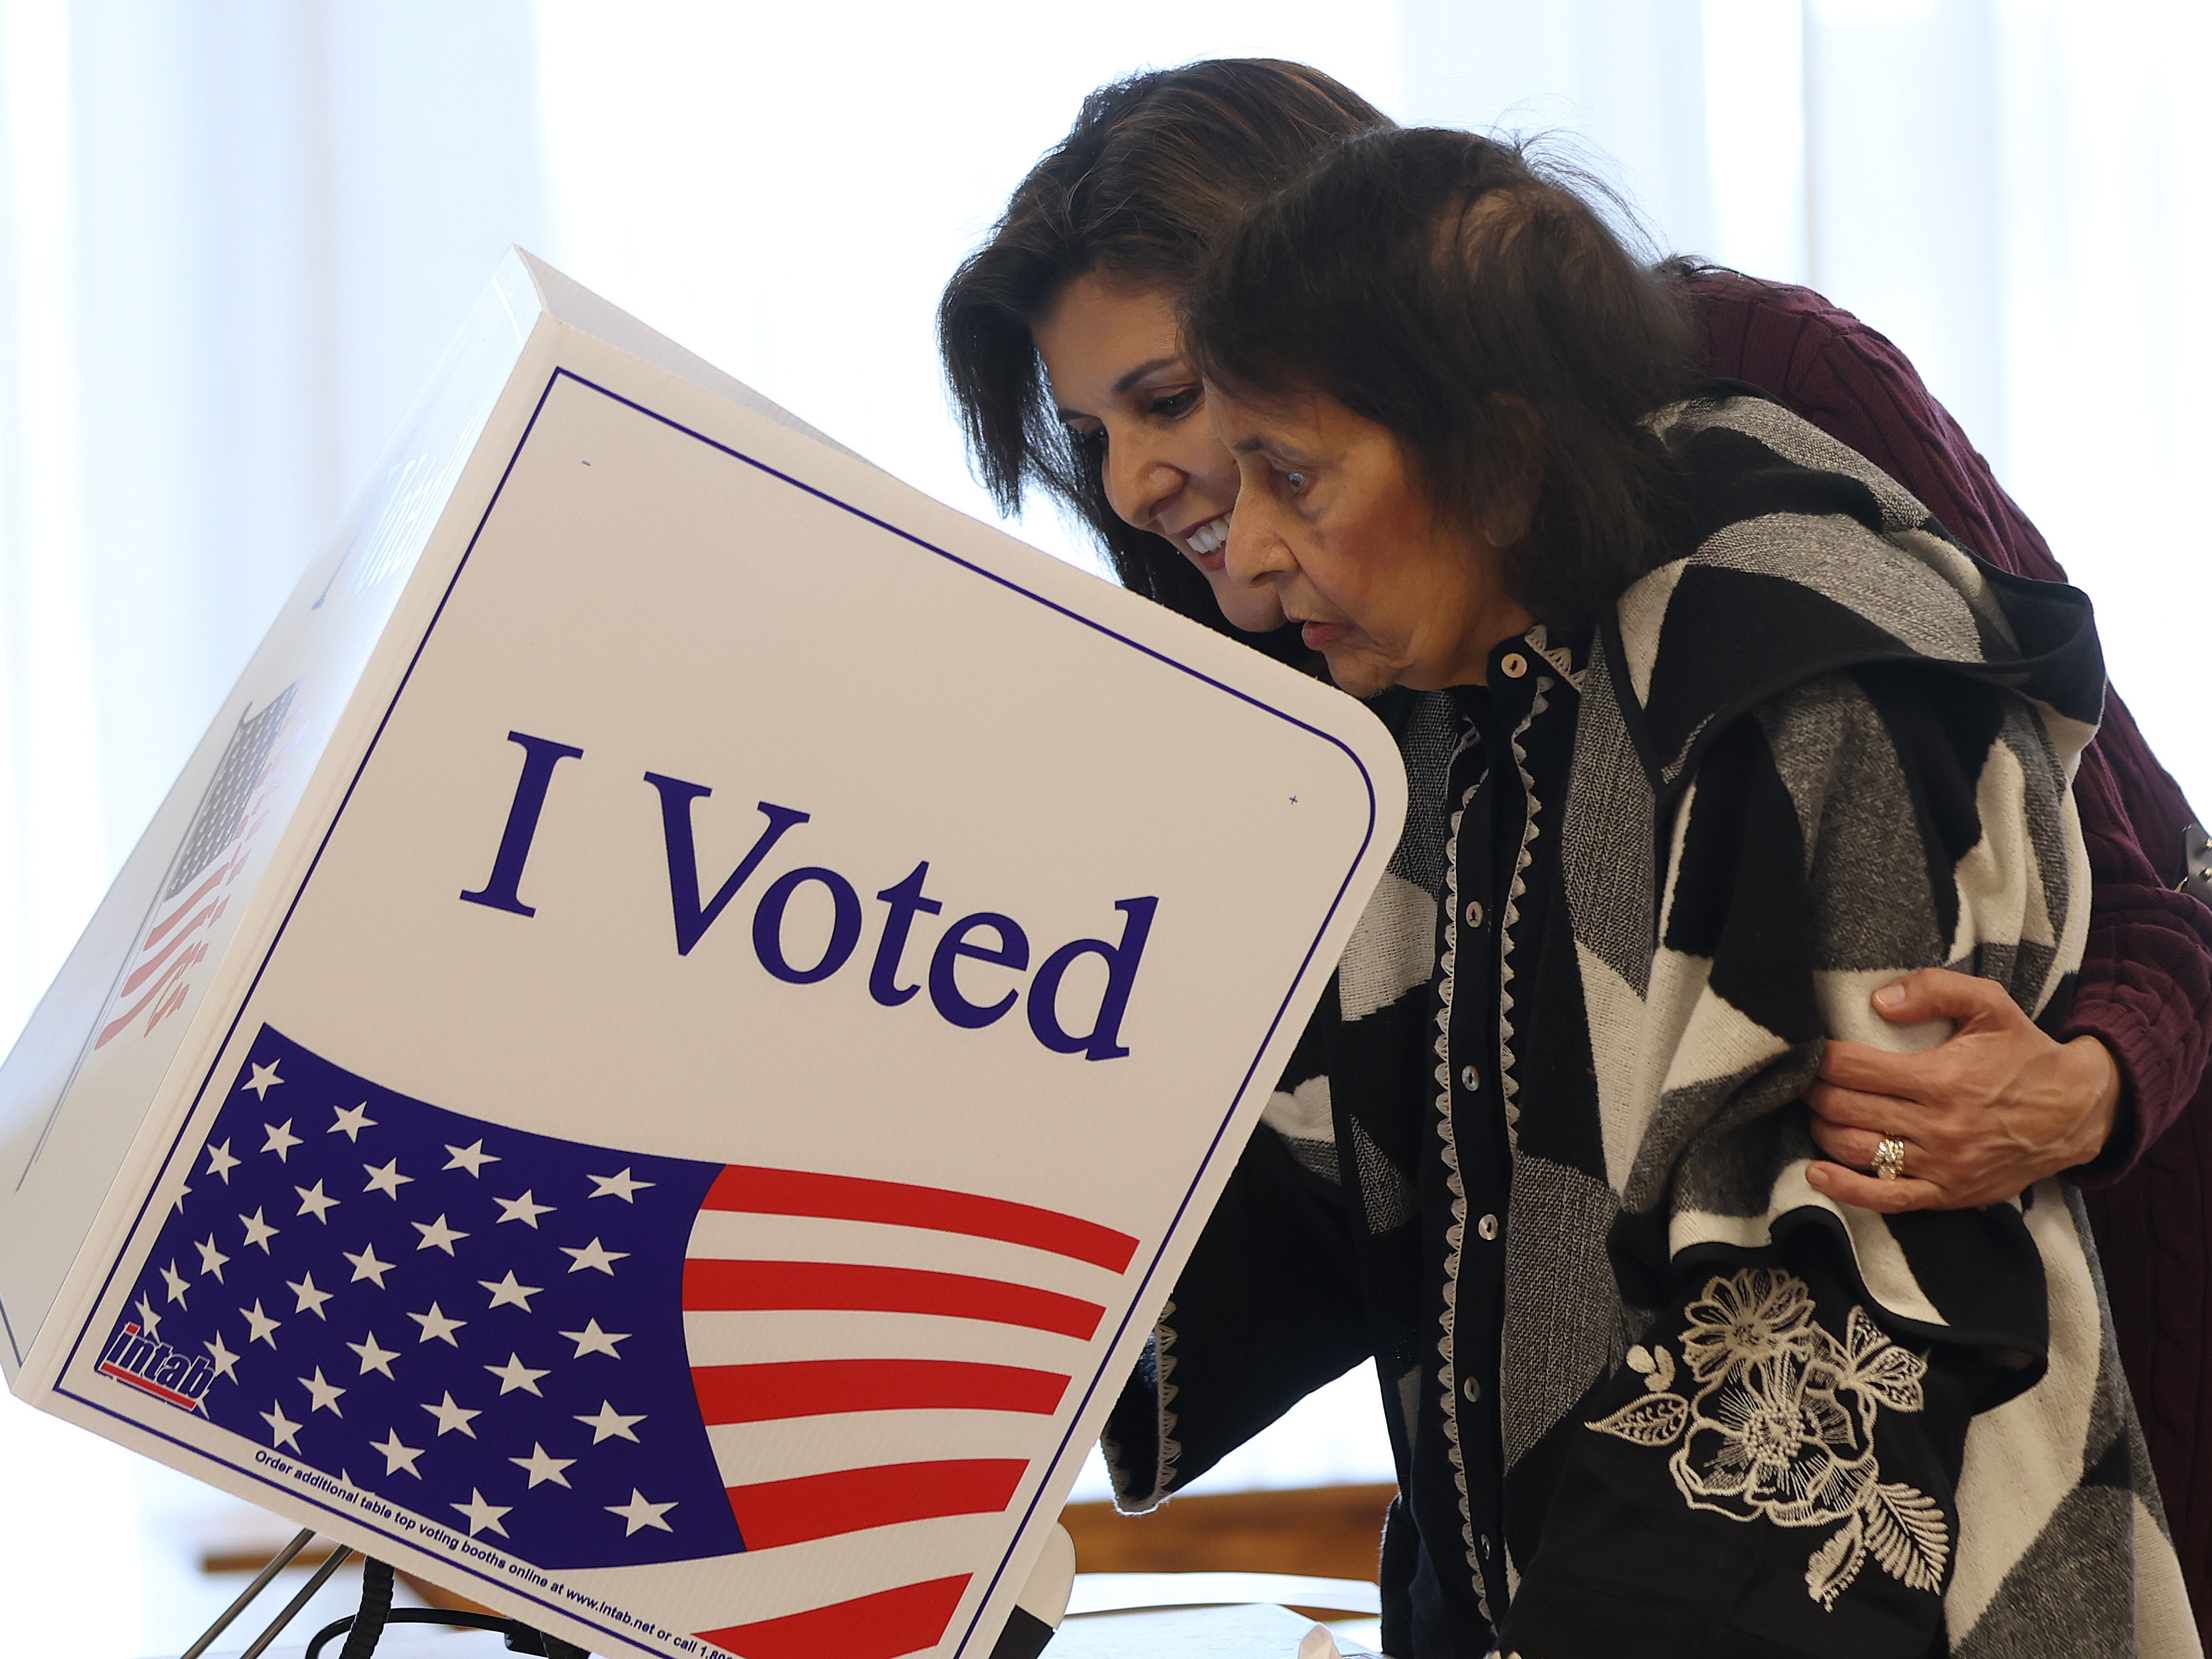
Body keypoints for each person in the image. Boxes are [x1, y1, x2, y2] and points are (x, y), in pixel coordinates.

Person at [936, 60, 2212, 1620]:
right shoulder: (1364, 653)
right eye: (1093, 430)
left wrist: (2096, 1074)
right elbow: (1353, 1165)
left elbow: (2132, 889)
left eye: (1177, 401)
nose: (1138, 488)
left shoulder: (1777, 600)